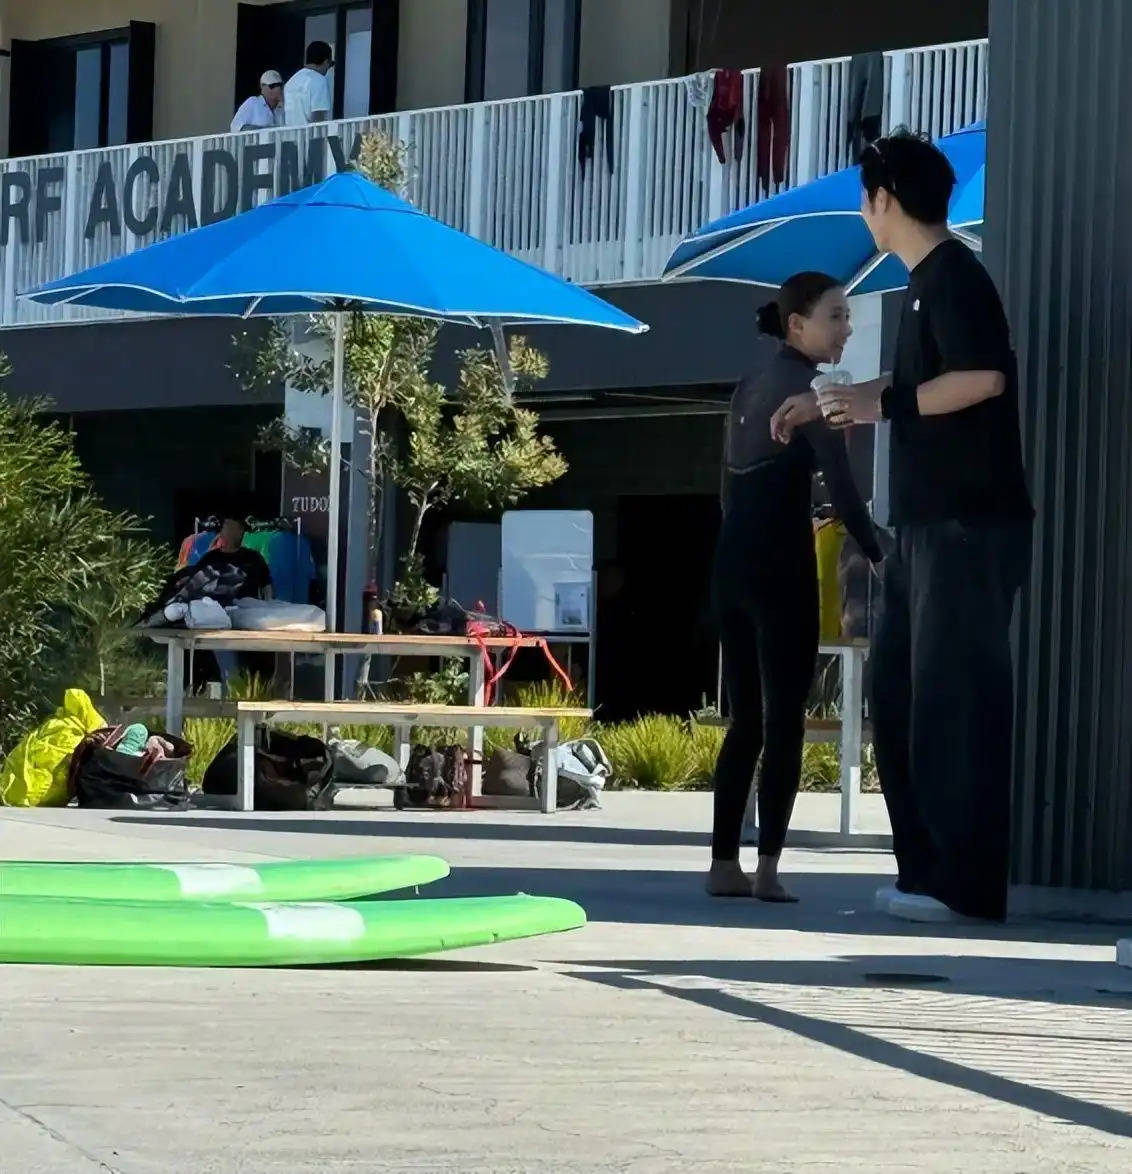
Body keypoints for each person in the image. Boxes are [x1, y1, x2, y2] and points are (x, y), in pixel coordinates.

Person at [773, 131, 1033, 923]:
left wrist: (882, 402)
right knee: (901, 698)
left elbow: (982, 379)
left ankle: (965, 886)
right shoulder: (922, 285)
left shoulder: (956, 276)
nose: (863, 211)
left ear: (886, 199)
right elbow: (925, 379)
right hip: (921, 525)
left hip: (968, 523)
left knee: (955, 703)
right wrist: (844, 399)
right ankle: (924, 872)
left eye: (866, 197)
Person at [709, 273, 883, 901]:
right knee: (783, 722)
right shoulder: (813, 394)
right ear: (797, 325)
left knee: (745, 723)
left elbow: (729, 487)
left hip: (731, 565)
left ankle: (722, 864)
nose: (847, 328)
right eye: (836, 316)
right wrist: (880, 556)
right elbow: (847, 496)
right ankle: (768, 871)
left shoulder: (747, 385)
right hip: (781, 569)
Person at [285, 42, 333, 127]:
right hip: (308, 134)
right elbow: (318, 117)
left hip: (289, 134)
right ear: (326, 62)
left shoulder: (291, 81)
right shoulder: (319, 80)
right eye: (330, 64)